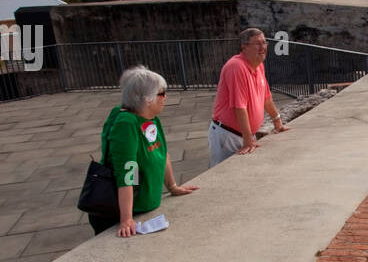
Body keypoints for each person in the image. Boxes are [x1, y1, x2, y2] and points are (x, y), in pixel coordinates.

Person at [90, 65, 198, 237]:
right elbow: (127, 172)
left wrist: (172, 186)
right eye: (162, 94)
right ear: (148, 99)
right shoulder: (126, 124)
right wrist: (126, 219)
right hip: (127, 211)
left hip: (146, 205)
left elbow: (162, 153)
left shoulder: (150, 118)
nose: (165, 97)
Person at [209, 27, 289, 166]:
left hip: (243, 134)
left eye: (264, 43)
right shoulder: (236, 67)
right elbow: (239, 106)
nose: (262, 47)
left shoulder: (258, 65)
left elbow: (266, 98)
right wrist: (248, 139)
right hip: (229, 135)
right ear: (244, 47)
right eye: (257, 43)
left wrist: (277, 121)